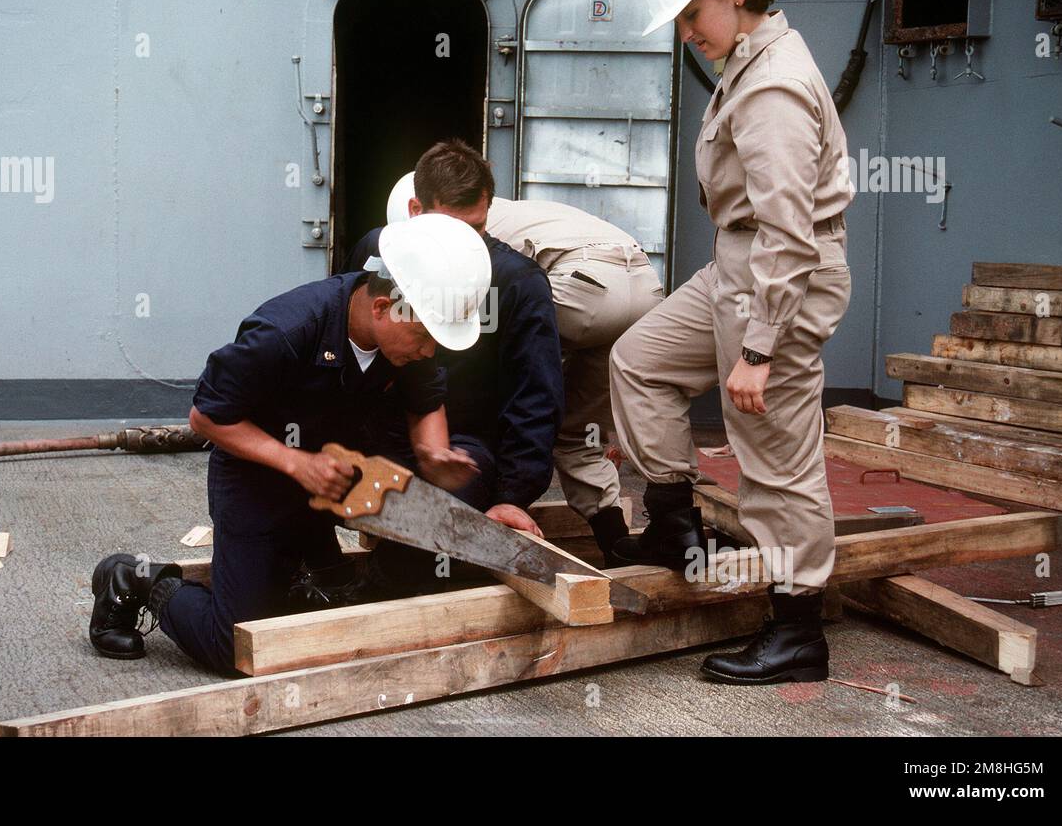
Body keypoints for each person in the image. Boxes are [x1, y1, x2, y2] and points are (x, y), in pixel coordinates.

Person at [610, 0, 854, 684]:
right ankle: (679, 526)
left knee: (775, 461)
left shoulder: (773, 84)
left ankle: (796, 630)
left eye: (691, 12)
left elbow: (791, 231)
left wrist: (758, 349)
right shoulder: (749, 60)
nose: (686, 32)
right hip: (737, 267)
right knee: (639, 359)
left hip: (777, 278)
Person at [88, 214, 491, 673]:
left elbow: (426, 400)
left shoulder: (408, 333)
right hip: (254, 479)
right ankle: (136, 579)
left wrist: (431, 454)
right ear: (382, 308)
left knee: (328, 612)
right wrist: (296, 463)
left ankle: (286, 570)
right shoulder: (286, 330)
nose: (428, 352)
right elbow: (205, 417)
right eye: (423, 338)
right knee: (235, 648)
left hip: (320, 486)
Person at [387, 178, 663, 566]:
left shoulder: (465, 233)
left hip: (582, 287)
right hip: (645, 289)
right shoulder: (513, 210)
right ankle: (617, 545)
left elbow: (527, 382)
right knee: (577, 434)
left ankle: (492, 478)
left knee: (502, 355)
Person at [345, 141, 564, 584]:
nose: (466, 244)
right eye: (451, 229)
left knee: (428, 535)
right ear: (415, 209)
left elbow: (536, 400)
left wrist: (514, 497)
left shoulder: (518, 283)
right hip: (381, 433)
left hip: (463, 449)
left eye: (476, 229)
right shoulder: (378, 250)